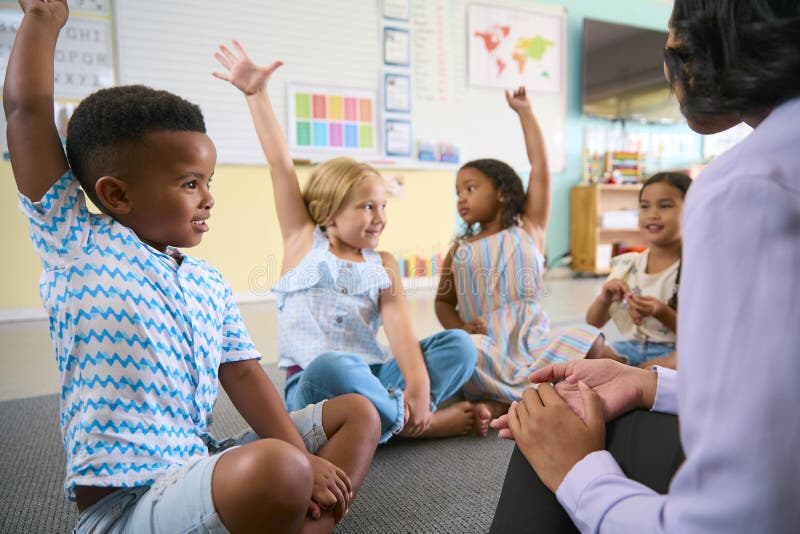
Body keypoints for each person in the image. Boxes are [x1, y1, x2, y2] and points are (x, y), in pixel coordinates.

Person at [5, 2, 380, 532]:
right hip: (126, 506)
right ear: (117, 194)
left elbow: (244, 373)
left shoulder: (207, 281)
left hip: (199, 467)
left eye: (209, 182)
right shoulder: (76, 244)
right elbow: (25, 112)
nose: (208, 198)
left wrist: (304, 457)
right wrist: (43, 19)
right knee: (282, 468)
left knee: (358, 413)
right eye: (189, 183)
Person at [490, 0, 800, 532]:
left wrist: (577, 471)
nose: (668, 63)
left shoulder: (748, 185)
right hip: (642, 361)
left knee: (556, 423)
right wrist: (648, 383)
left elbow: (730, 521)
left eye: (676, 43)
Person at [212, 41, 479, 442]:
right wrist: (257, 94)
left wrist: (420, 390)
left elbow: (402, 335)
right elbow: (281, 165)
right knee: (333, 365)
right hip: (316, 386)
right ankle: (408, 425)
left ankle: (389, 418)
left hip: (372, 378)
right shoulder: (303, 240)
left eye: (383, 206)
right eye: (367, 207)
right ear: (329, 212)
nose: (380, 217)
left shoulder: (383, 263)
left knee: (460, 345)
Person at [434, 87, 611, 434]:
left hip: (534, 339)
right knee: (461, 352)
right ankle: (522, 400)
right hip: (489, 347)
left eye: (470, 188)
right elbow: (443, 302)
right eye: (457, 192)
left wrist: (524, 112)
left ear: (502, 192)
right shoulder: (460, 249)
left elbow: (540, 166)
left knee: (590, 339)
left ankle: (502, 404)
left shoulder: (529, 226)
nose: (461, 198)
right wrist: (458, 328)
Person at [586, 172, 692, 369]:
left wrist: (662, 312)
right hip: (630, 350)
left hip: (674, 353)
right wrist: (604, 299)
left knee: (683, 361)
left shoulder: (694, 267)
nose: (653, 214)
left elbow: (699, 334)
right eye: (645, 206)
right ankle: (636, 375)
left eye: (665, 206)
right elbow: (592, 323)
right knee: (585, 347)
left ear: (691, 210)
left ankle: (635, 375)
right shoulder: (628, 264)